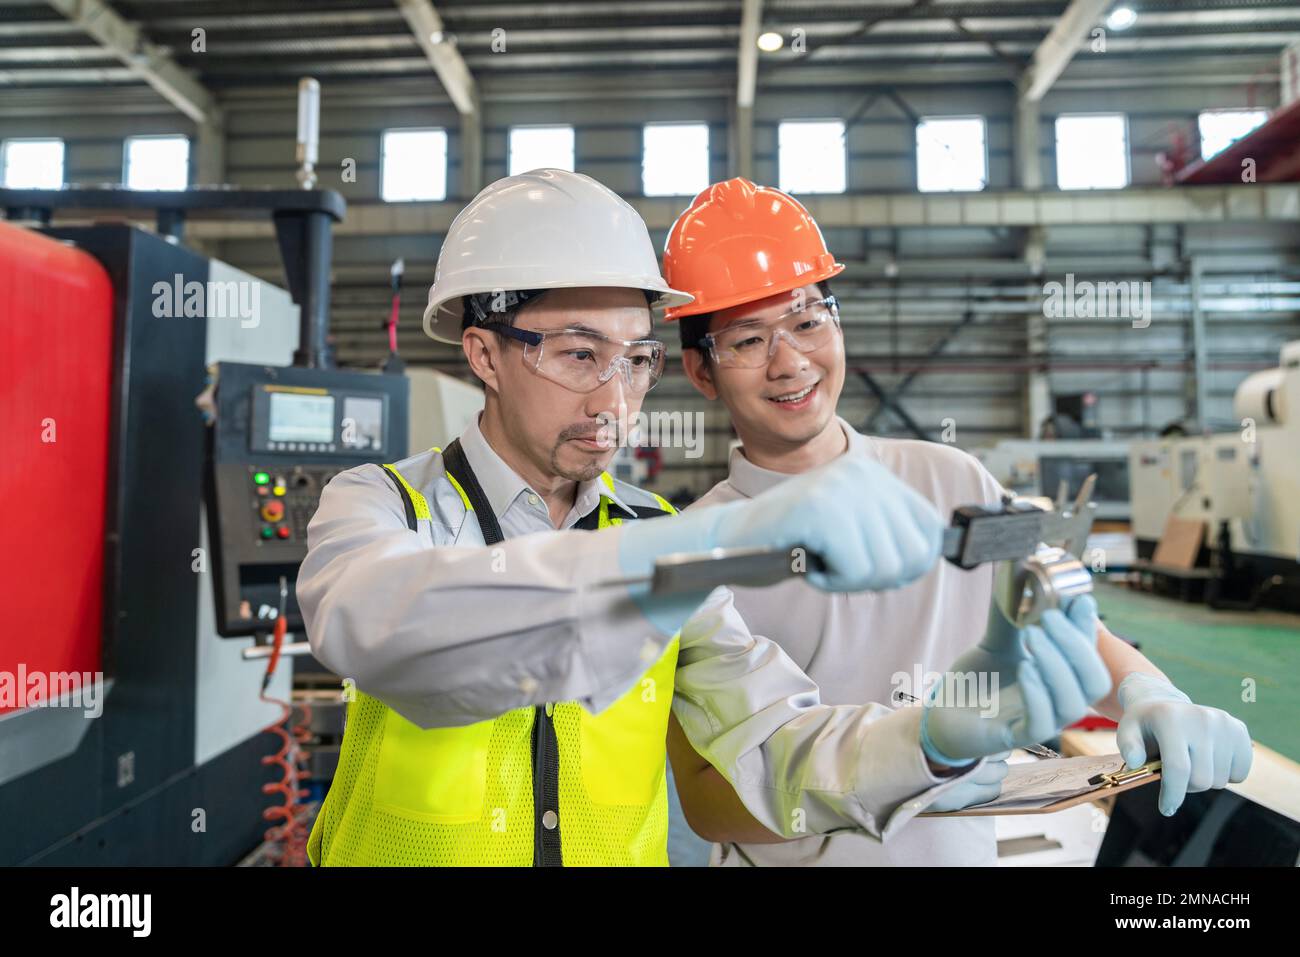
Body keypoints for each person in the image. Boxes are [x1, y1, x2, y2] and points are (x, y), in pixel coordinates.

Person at [298, 169, 1114, 867]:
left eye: (635, 360)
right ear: (483, 355)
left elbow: (774, 748)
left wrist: (931, 739)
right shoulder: (381, 504)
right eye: (581, 355)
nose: (613, 403)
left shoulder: (657, 534)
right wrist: (711, 542)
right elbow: (379, 622)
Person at [661, 177, 1255, 867]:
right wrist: (919, 766)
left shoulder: (952, 480)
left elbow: (1059, 620)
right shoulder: (695, 557)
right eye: (747, 339)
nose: (790, 360)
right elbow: (706, 801)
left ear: (837, 322)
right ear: (702, 372)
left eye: (806, 319)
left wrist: (1150, 692)